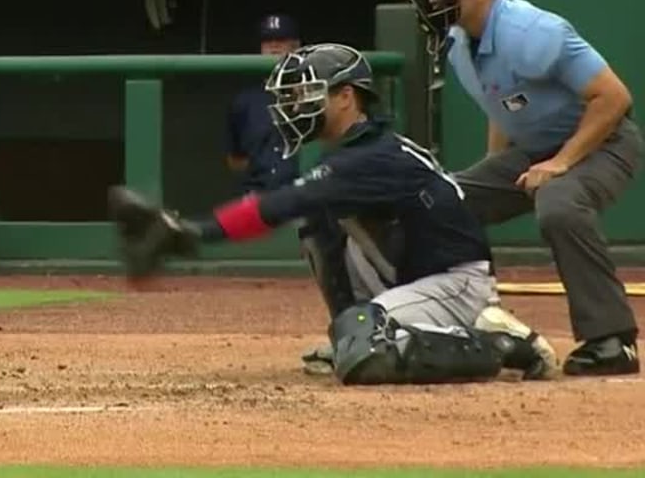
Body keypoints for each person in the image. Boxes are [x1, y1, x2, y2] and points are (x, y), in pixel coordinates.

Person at [110, 44, 560, 386]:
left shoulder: (372, 157)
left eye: (307, 94)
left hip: (455, 284)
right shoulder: (353, 153)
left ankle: (498, 343)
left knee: (365, 355)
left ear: (347, 97)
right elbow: (293, 206)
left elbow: (278, 203)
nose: (294, 106)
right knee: (318, 223)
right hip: (413, 276)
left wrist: (190, 232)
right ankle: (358, 330)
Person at [401, 0, 641, 376]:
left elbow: (613, 98)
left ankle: (612, 342)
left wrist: (562, 162)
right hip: (534, 149)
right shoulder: (457, 42)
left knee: (559, 204)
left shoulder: (532, 32)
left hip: (605, 142)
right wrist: (494, 167)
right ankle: (441, 324)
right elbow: (503, 103)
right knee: (443, 201)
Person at [225, 14, 302, 196]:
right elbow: (235, 160)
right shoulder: (245, 101)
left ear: (296, 47)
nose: (273, 46)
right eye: (267, 41)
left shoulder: (315, 93)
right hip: (258, 197)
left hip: (303, 199)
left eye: (281, 40)